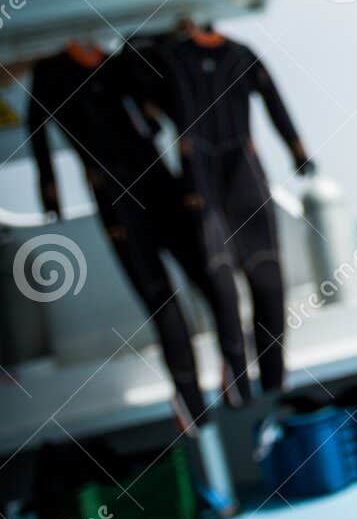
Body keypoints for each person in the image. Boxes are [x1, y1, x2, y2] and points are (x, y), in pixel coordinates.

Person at [26, 41, 249, 433]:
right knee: (164, 300)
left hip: (155, 184)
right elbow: (37, 128)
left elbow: (166, 105)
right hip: (119, 196)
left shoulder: (119, 64)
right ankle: (194, 399)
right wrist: (49, 189)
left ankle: (232, 375)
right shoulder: (52, 73)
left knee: (211, 280)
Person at [126, 23, 313, 404]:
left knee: (268, 282)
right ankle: (237, 387)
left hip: (245, 176)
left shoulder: (241, 55)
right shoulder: (172, 59)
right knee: (223, 291)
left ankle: (275, 386)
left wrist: (297, 149)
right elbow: (137, 83)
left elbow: (274, 100)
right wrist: (156, 42)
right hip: (200, 181)